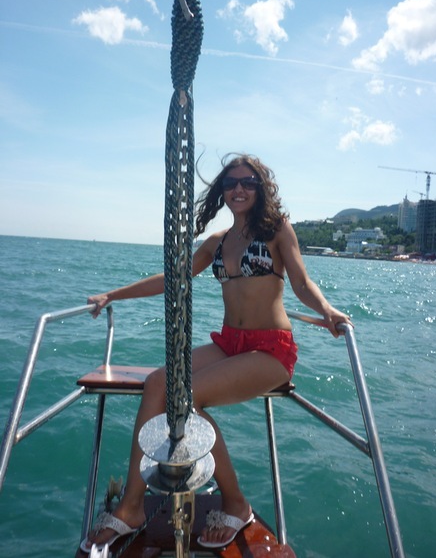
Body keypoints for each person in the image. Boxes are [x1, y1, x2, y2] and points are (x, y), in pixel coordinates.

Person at [81, 153, 351, 552]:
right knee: (157, 383)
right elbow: (172, 279)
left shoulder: (277, 230)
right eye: (230, 183)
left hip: (270, 349)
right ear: (222, 191)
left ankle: (236, 503)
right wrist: (112, 295)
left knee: (187, 398)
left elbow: (301, 283)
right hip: (230, 343)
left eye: (248, 182)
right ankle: (131, 507)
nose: (238, 189)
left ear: (260, 189)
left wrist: (326, 310)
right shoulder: (218, 242)